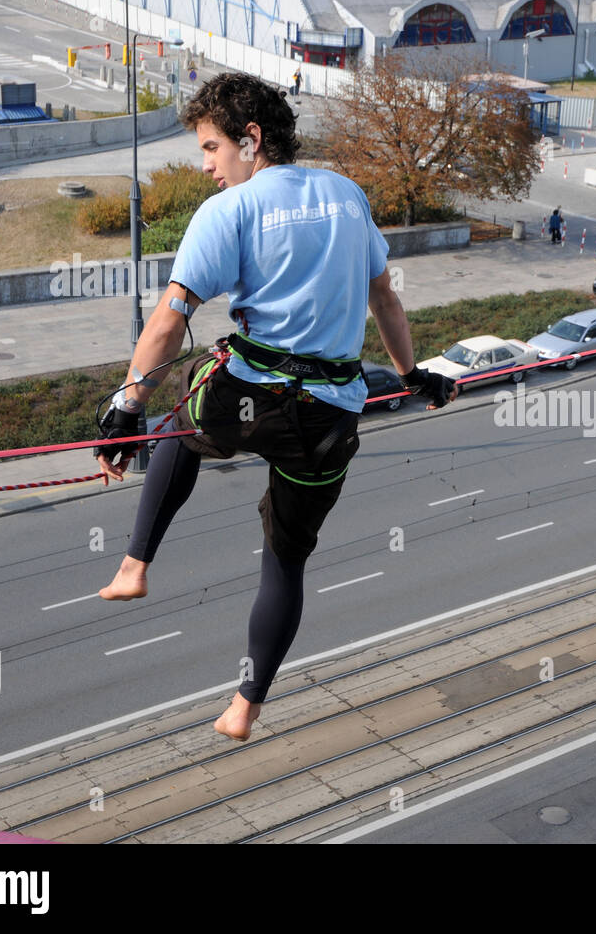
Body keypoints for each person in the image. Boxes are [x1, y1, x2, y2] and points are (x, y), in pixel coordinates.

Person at [92, 72, 456, 742]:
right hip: (330, 419)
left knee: (179, 419)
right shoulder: (349, 196)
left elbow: (170, 322)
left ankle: (136, 563)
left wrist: (126, 406)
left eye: (210, 148)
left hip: (252, 395)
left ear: (251, 141)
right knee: (284, 563)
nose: (206, 168)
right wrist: (414, 375)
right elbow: (386, 302)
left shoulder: (229, 212)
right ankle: (245, 706)